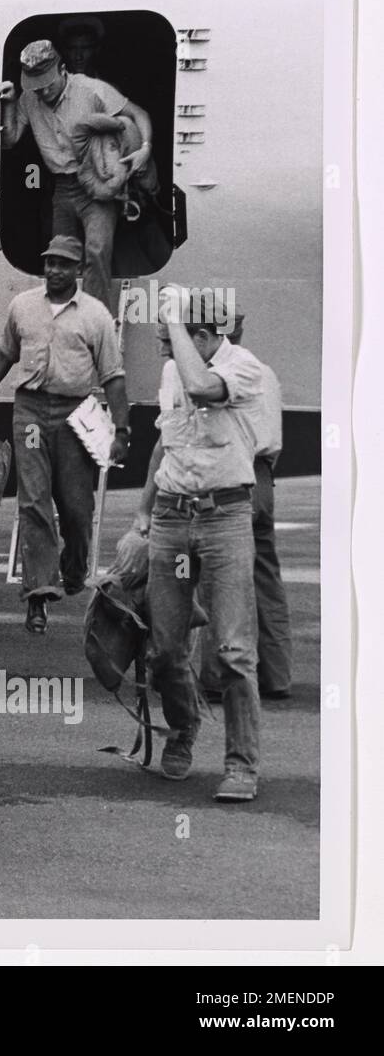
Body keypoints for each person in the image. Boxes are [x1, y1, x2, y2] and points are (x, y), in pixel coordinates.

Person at [135, 288, 265, 802]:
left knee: (233, 649)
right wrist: (141, 517)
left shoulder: (242, 366)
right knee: (165, 648)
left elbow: (202, 385)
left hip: (226, 516)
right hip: (171, 514)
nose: (164, 351)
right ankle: (184, 726)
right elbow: (167, 444)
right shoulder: (176, 368)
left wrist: (174, 319)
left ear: (206, 336)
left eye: (169, 340)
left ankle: (241, 765)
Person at [0, 234, 131, 634]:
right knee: (33, 501)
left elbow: (114, 378)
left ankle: (74, 566)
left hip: (76, 414)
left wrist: (122, 431)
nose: (54, 270)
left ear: (80, 270)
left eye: (63, 264)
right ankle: (38, 595)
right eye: (49, 262)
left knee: (76, 507)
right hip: (30, 410)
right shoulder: (22, 307)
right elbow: (4, 355)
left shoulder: (96, 316)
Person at [0, 38, 153, 312]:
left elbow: (138, 113)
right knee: (60, 258)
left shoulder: (91, 90)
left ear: (63, 69)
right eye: (36, 86)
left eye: (47, 83)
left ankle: (94, 323)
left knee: (97, 250)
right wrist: (9, 103)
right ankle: (62, 321)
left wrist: (145, 149)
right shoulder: (29, 99)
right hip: (62, 187)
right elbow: (9, 140)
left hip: (96, 185)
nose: (43, 92)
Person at [200, 312, 293, 700]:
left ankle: (218, 678)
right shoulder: (265, 372)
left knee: (218, 581)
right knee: (266, 579)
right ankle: (277, 675)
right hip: (265, 478)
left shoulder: (217, 378)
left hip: (233, 479)